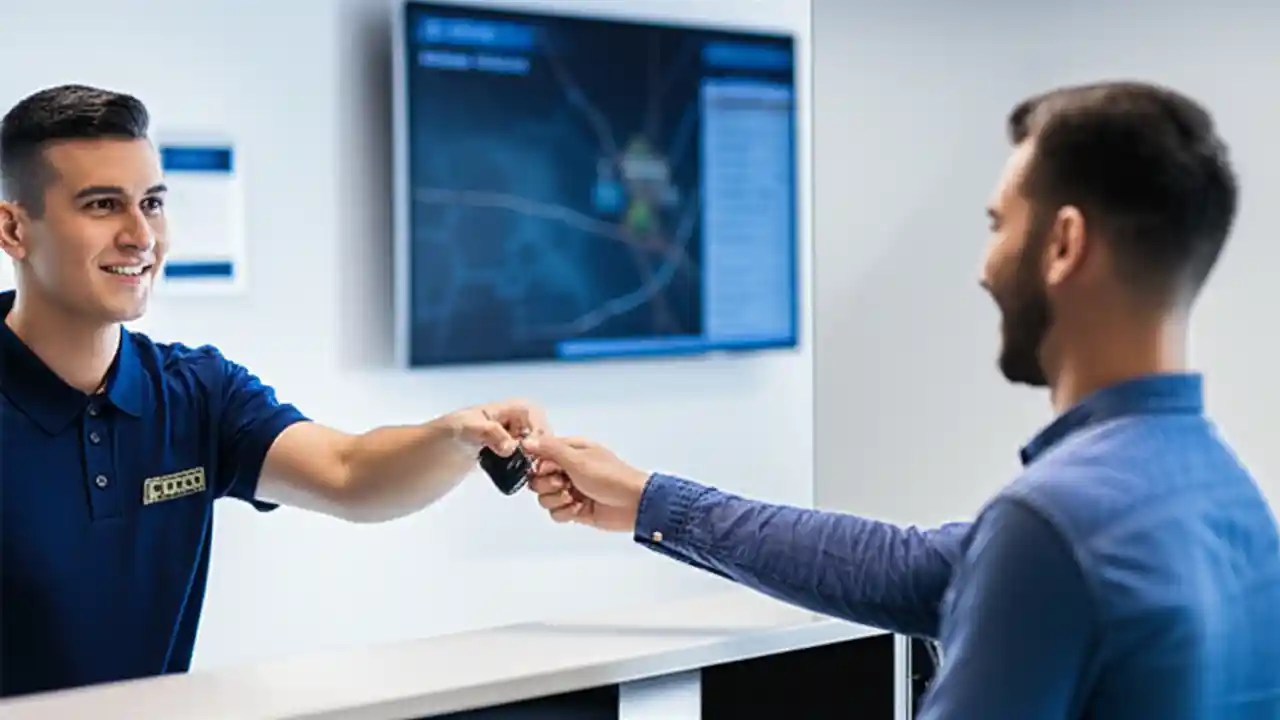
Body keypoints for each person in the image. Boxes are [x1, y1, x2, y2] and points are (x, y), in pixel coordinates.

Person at [525, 80, 1280, 718]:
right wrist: (651, 502)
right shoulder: (1228, 499)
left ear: (1063, 243)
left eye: (998, 226)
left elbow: (986, 560)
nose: (986, 268)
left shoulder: (1052, 524)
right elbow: (911, 568)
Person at [0, 84, 548, 697]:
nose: (140, 235)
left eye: (152, 203)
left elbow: (349, 471)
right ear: (14, 230)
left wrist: (458, 439)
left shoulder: (196, 391)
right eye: (102, 205)